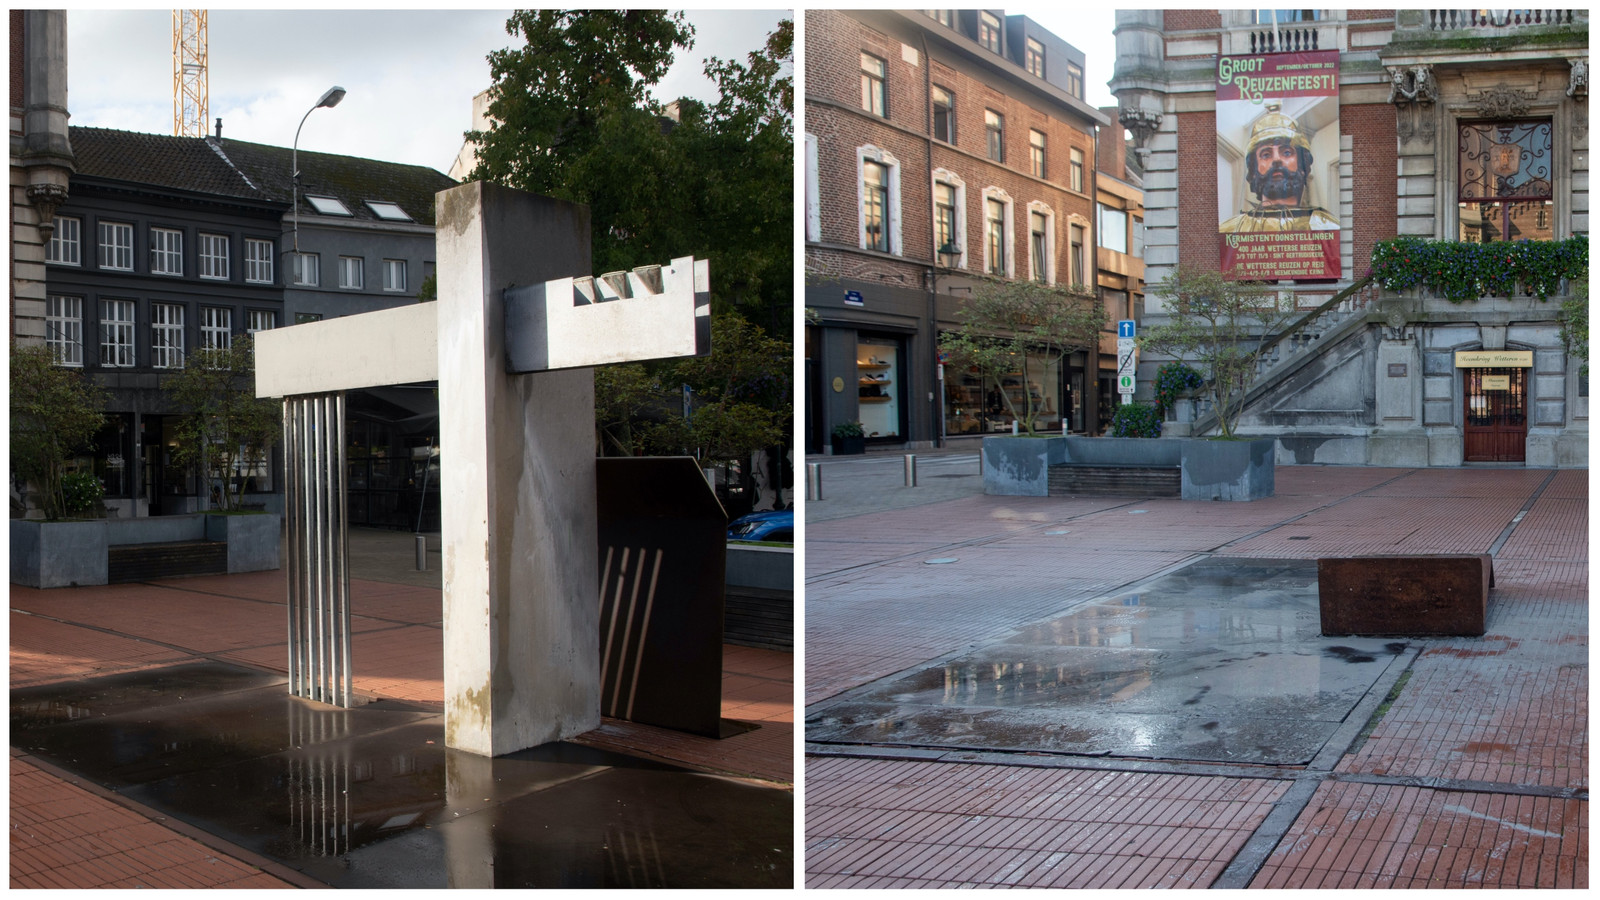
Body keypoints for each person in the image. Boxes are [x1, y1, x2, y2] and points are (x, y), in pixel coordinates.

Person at [1220, 103, 1339, 233]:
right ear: (1254, 172)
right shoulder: (1230, 231)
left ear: (1302, 167)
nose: (1276, 159)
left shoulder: (1328, 228)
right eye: (1266, 154)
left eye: (1287, 152)